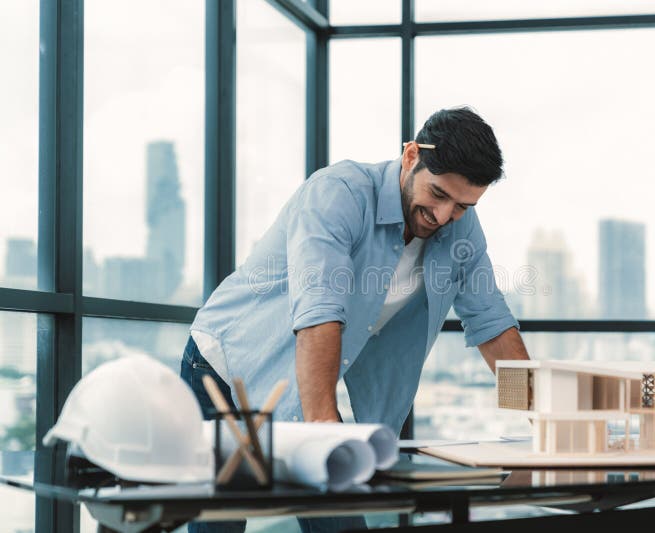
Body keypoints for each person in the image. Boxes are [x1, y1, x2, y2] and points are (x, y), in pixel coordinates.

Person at [181, 106, 531, 532]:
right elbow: (319, 312)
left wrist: (545, 420)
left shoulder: (462, 231)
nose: (443, 217)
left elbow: (492, 323)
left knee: (341, 523)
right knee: (222, 520)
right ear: (410, 157)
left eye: (462, 206)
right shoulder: (338, 194)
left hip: (303, 382)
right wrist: (325, 434)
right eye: (437, 195)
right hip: (227, 367)